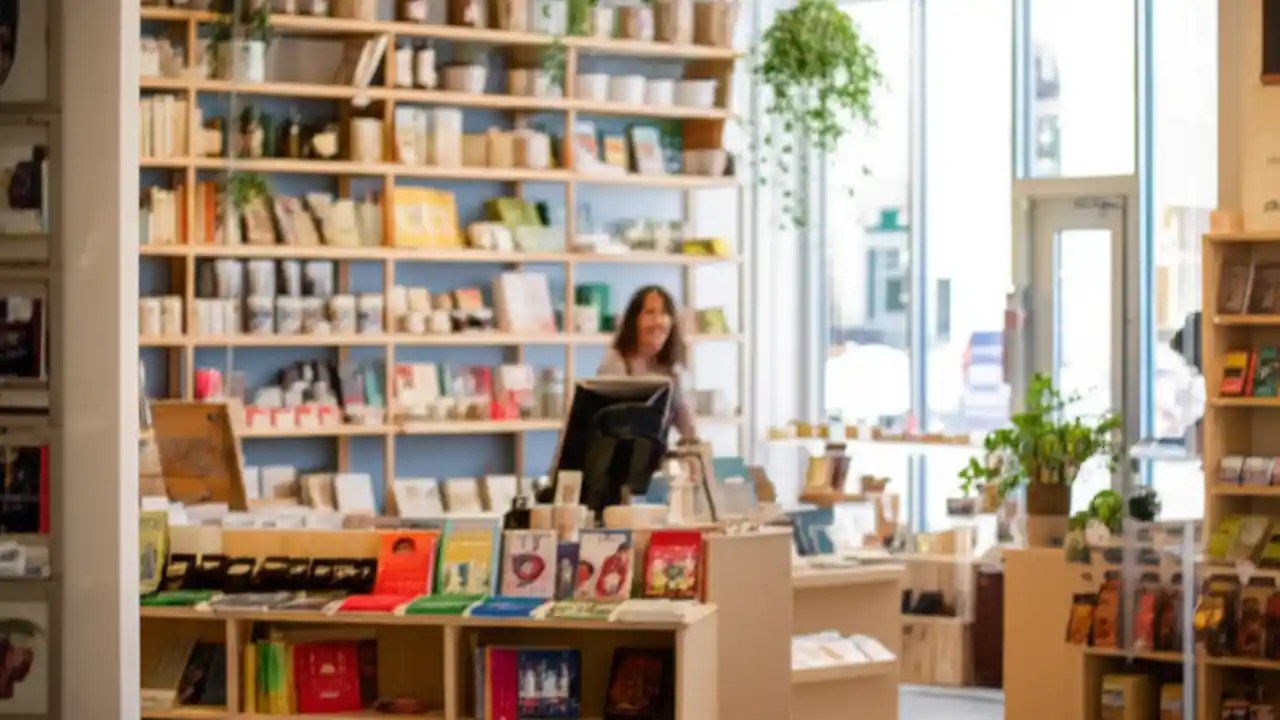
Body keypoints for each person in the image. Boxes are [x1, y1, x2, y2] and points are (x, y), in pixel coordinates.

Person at [597, 286, 697, 440]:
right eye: (650, 313)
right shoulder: (615, 364)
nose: (658, 321)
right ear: (634, 320)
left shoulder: (670, 371)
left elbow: (689, 431)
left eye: (664, 313)